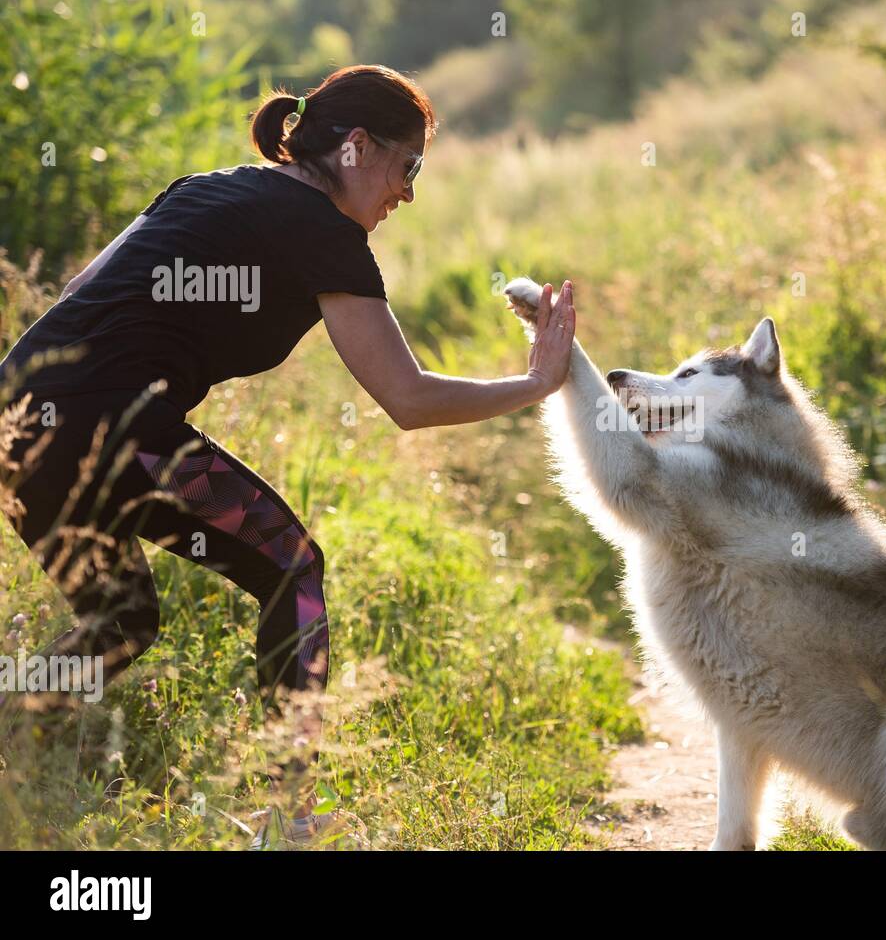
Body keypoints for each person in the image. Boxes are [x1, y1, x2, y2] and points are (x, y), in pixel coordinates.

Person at [0, 63, 576, 846]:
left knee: (121, 618)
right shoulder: (325, 232)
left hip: (18, 422)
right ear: (357, 146)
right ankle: (288, 814)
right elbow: (407, 401)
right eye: (408, 167)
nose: (408, 192)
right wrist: (537, 382)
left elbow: (78, 287)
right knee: (293, 568)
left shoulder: (202, 188)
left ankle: (12, 756)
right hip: (103, 425)